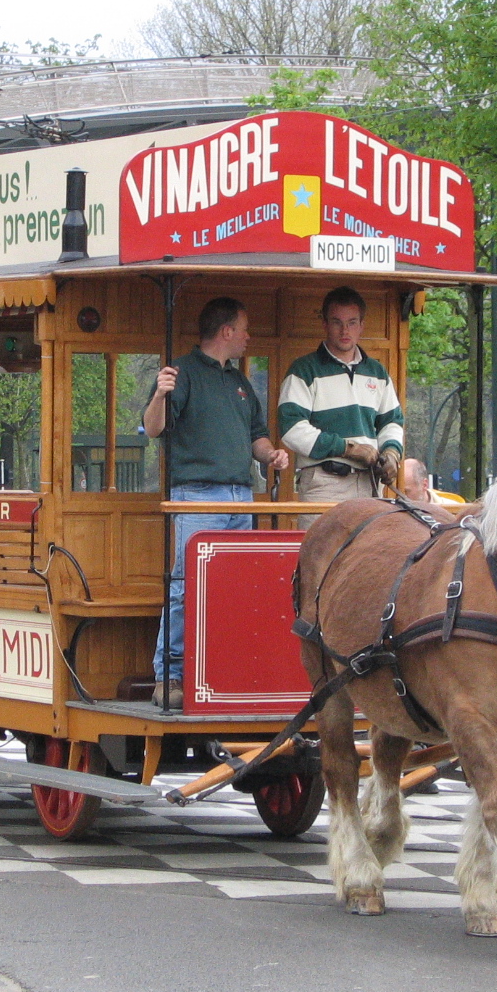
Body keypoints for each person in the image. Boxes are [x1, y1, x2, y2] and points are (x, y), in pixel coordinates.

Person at [144, 296, 290, 708]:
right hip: (195, 496)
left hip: (240, 497)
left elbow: (256, 437)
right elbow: (153, 428)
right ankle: (169, 676)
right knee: (184, 586)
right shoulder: (182, 373)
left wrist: (271, 455)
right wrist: (159, 394)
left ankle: (226, 673)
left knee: (235, 589)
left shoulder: (240, 382)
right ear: (226, 331)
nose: (248, 337)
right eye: (243, 329)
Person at [278, 286, 405, 528]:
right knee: (320, 563)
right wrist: (347, 448)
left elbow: (392, 421)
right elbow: (291, 429)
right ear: (325, 324)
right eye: (337, 322)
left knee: (367, 561)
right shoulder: (304, 370)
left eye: (352, 322)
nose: (345, 330)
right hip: (324, 483)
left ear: (361, 326)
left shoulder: (377, 372)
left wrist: (391, 454)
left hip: (369, 483)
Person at [399, 458, 465, 509]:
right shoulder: (393, 512)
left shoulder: (454, 510)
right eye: (397, 491)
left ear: (424, 485)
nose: (399, 497)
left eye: (406, 492)